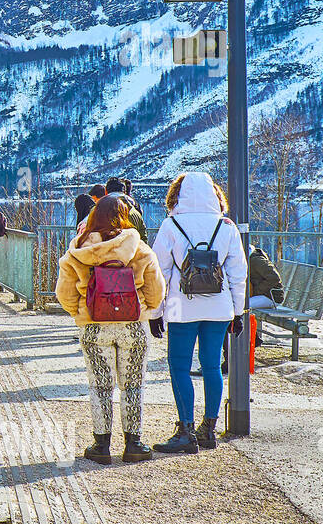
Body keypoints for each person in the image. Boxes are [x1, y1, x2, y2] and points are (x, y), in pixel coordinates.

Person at [56, 194, 166, 463]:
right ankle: (134, 444)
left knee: (100, 385)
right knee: (133, 385)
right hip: (133, 326)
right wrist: (143, 310)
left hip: (94, 327)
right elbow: (157, 292)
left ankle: (101, 446)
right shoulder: (139, 249)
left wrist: (81, 313)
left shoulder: (77, 252)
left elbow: (65, 294)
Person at [148, 172, 248, 452]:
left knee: (179, 366)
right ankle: (208, 430)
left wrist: (156, 312)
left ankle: (185, 432)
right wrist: (238, 312)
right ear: (214, 195)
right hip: (219, 308)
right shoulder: (226, 226)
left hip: (182, 306)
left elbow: (160, 273)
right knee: (212, 366)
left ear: (177, 195)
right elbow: (238, 273)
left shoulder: (171, 225)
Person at [106, 176, 147, 242]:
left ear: (106, 191)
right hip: (133, 249)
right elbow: (143, 236)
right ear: (124, 191)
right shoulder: (135, 210)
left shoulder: (98, 210)